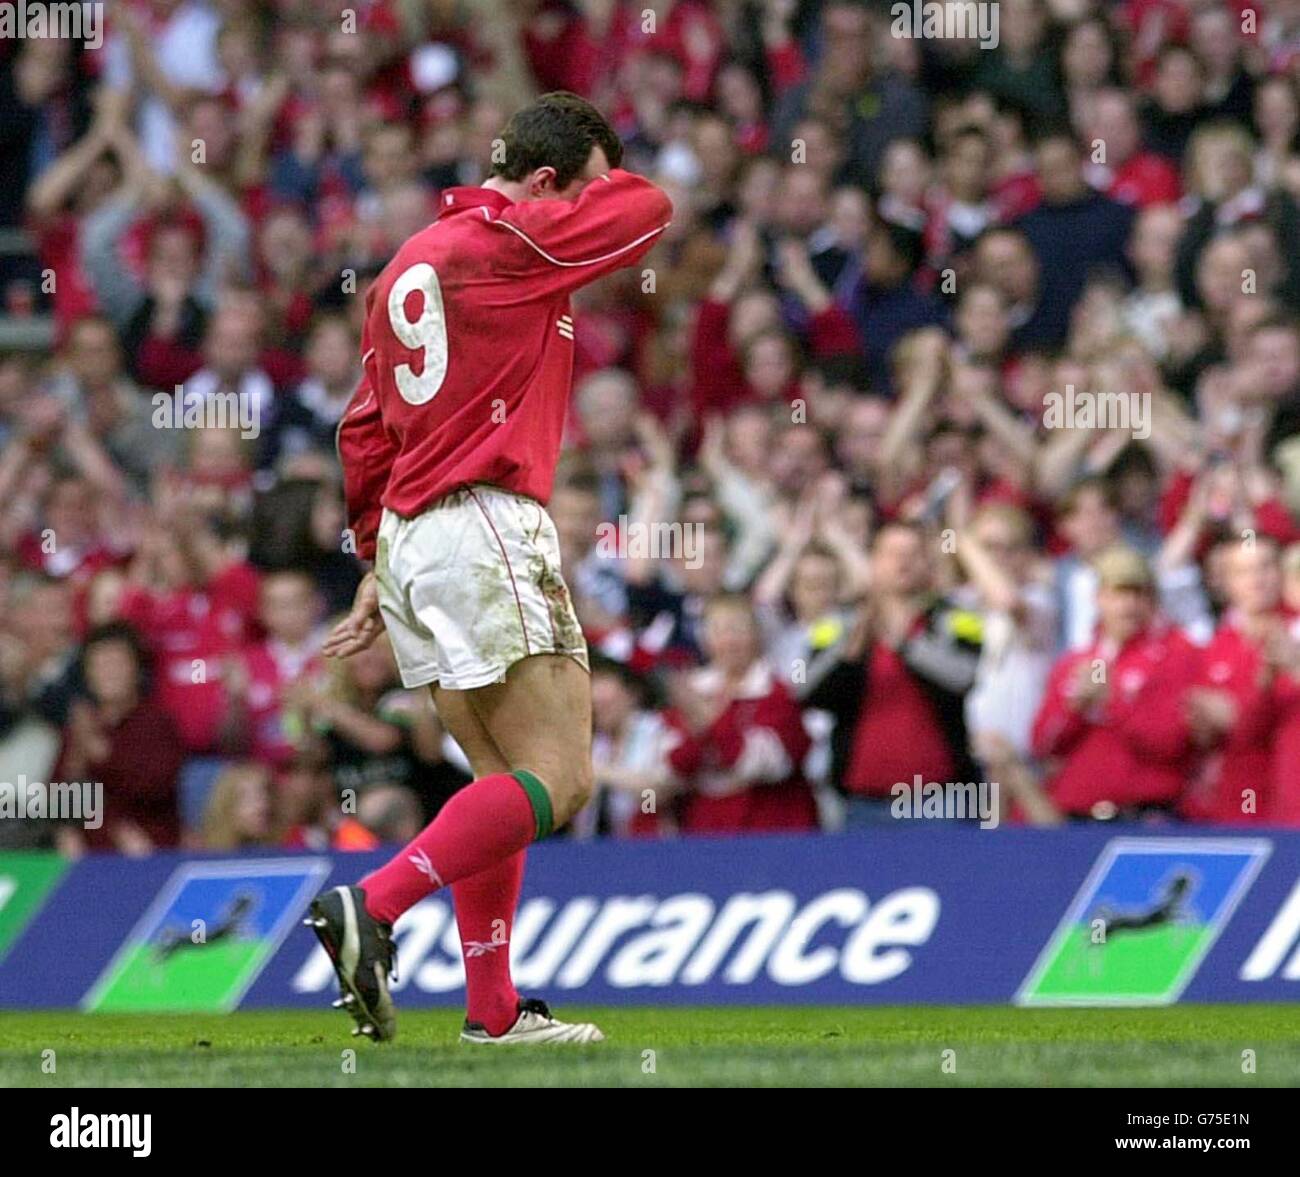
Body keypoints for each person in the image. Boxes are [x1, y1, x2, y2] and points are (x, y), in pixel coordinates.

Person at [307, 92, 672, 1045]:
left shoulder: (399, 274)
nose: (588, 207)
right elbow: (649, 209)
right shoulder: (506, 244)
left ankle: (493, 1012)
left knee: (498, 779)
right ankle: (374, 906)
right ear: (547, 184)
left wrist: (374, 558)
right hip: (489, 523)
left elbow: (362, 430)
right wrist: (584, 190)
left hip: (416, 538)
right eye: (575, 188)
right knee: (563, 776)